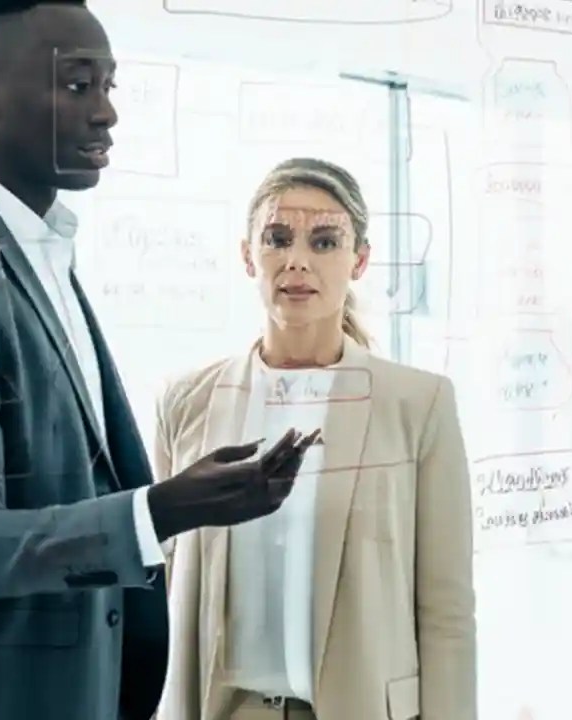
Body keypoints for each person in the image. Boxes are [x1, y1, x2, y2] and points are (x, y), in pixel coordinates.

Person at [0, 3, 317, 719]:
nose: (106, 115)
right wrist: (160, 510)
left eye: (109, 87)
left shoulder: (35, 250)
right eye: (76, 85)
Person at [153, 158, 478, 720]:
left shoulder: (417, 404)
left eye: (325, 242)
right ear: (248, 256)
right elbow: (156, 581)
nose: (298, 259)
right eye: (278, 239)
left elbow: (445, 610)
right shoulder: (187, 402)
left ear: (360, 260)